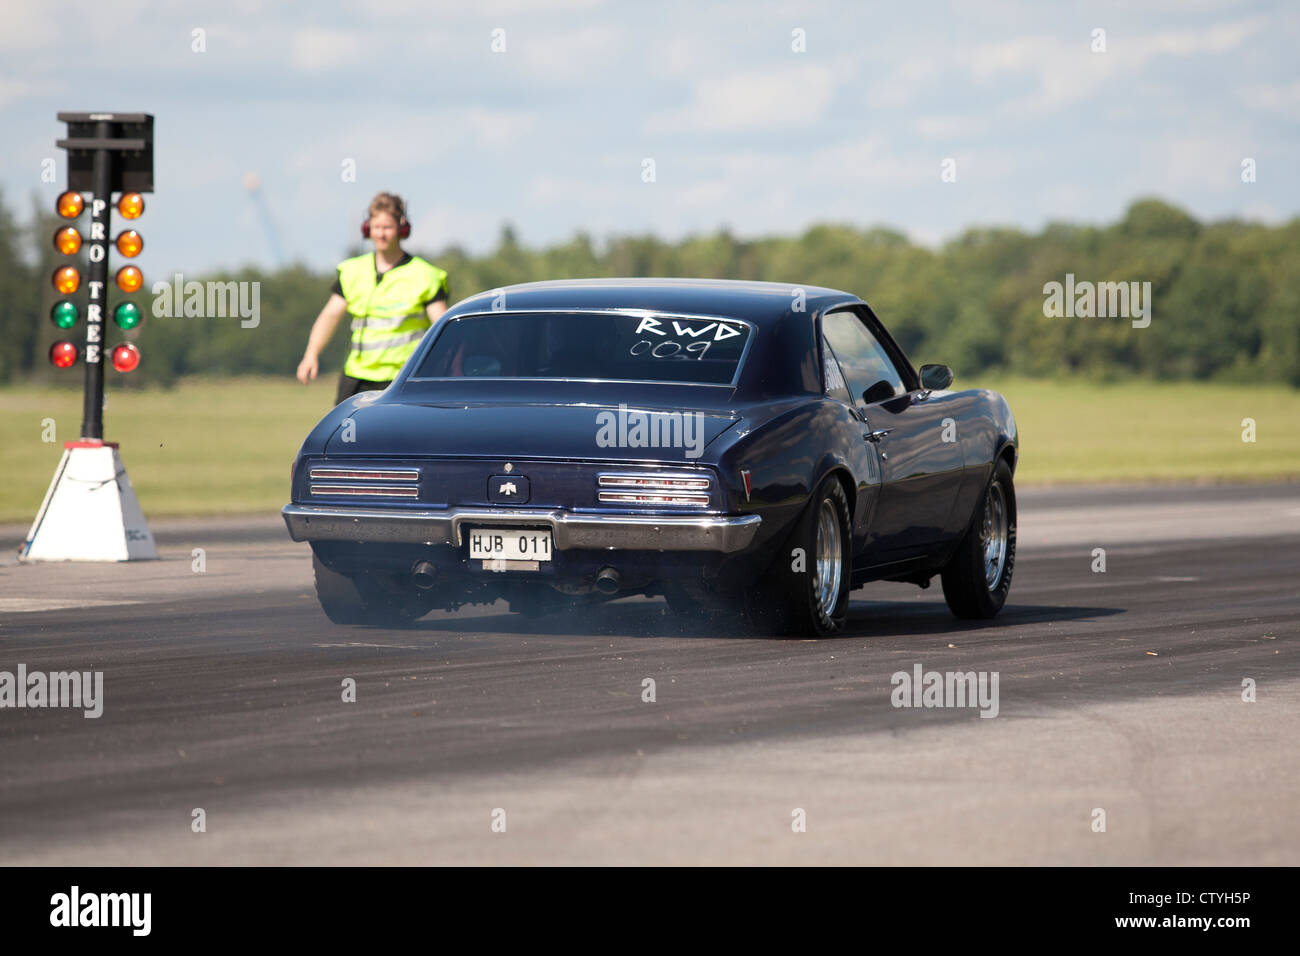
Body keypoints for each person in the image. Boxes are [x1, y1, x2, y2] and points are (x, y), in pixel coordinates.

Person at [296, 192, 449, 404]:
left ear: (402, 229)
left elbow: (442, 326)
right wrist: (311, 354)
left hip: (403, 378)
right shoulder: (352, 271)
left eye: (387, 227)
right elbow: (330, 315)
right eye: (377, 228)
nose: (381, 234)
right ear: (368, 229)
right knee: (343, 436)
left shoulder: (424, 275)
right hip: (357, 378)